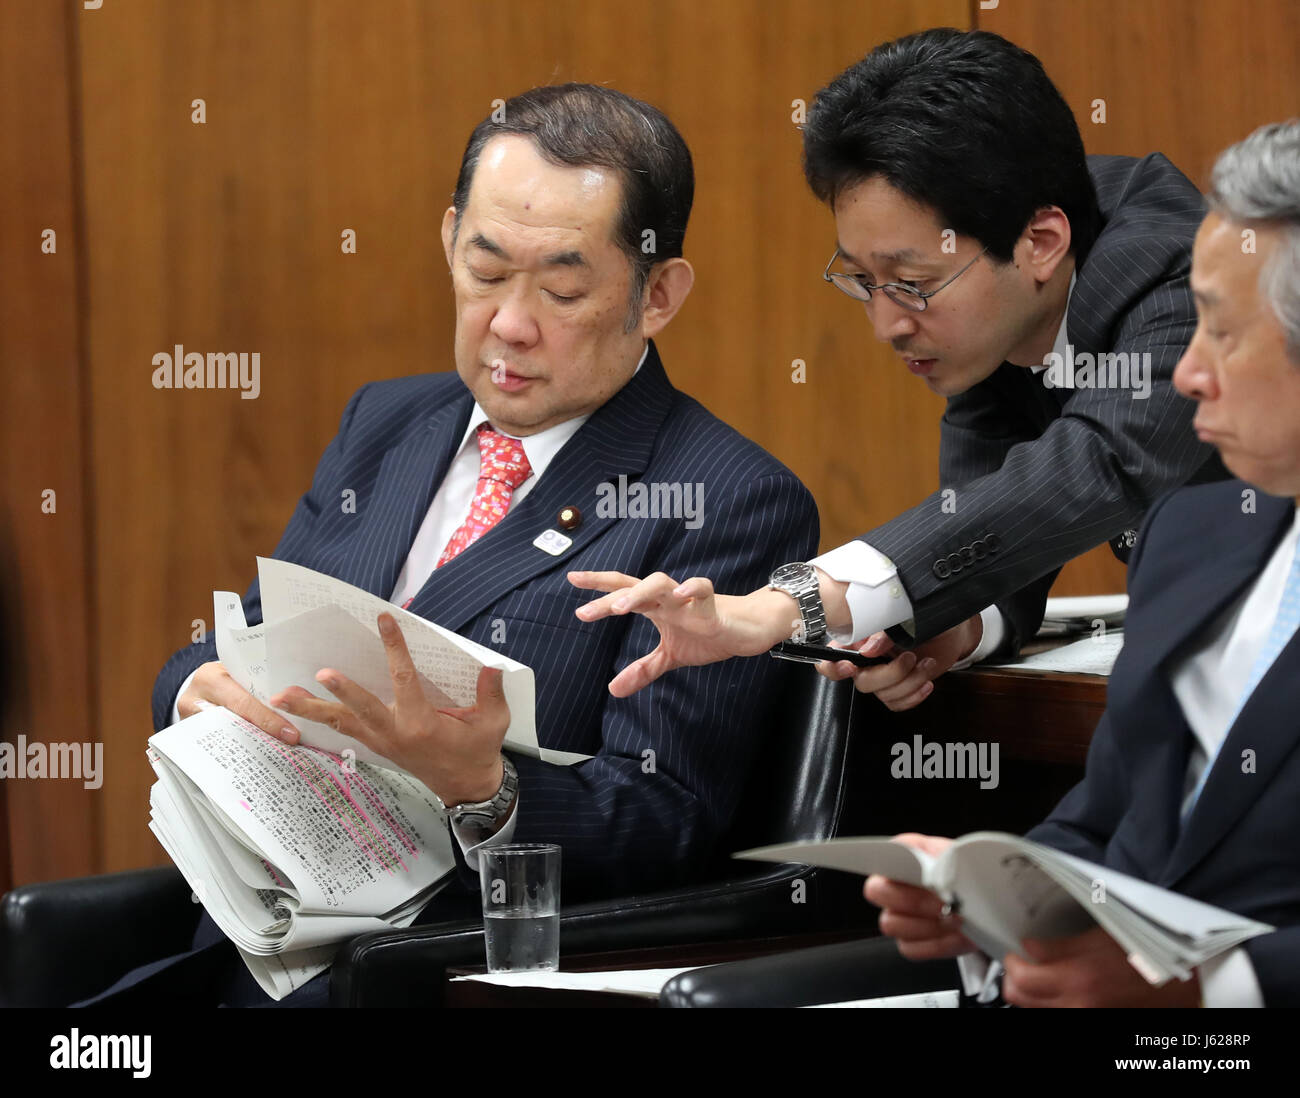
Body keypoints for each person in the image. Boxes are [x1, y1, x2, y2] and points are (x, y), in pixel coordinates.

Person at [80, 84, 817, 1006]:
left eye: (563, 289)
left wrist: (485, 788)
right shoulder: (387, 421)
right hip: (253, 937)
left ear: (657, 293)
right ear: (449, 241)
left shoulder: (726, 498)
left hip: (440, 972)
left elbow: (668, 824)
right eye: (485, 270)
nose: (509, 323)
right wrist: (195, 688)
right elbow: (248, 642)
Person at [571, 28, 1226, 711]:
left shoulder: (1184, 277)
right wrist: (957, 625)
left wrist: (787, 605)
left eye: (913, 284)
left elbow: (1095, 468)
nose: (887, 325)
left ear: (1041, 242)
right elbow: (998, 526)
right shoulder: (999, 303)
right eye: (863, 279)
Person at [866, 119, 1300, 1007]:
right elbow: (1108, 823)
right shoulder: (1193, 533)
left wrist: (1212, 990)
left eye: (1221, 331)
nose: (1186, 374)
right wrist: (1005, 901)